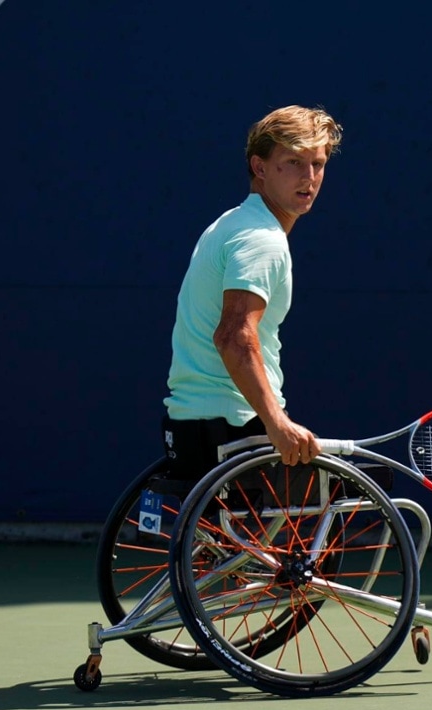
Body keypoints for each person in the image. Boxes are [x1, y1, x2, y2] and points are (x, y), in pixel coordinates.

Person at [161, 105, 343, 485]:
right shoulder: (263, 240)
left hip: (191, 426)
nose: (309, 177)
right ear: (260, 168)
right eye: (293, 163)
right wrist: (277, 421)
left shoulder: (231, 224)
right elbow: (233, 337)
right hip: (235, 427)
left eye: (318, 164)